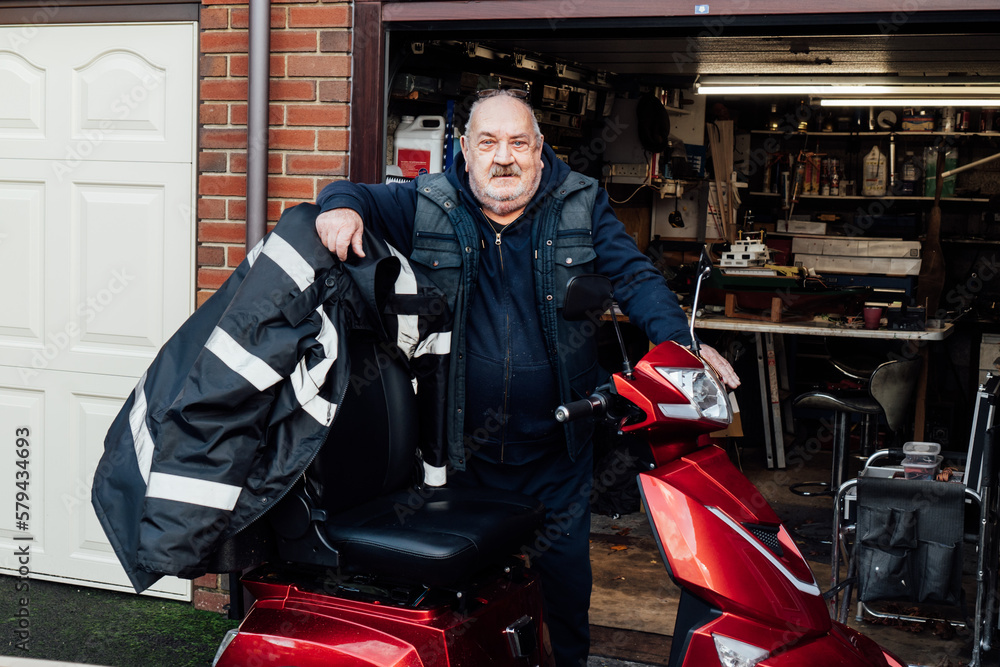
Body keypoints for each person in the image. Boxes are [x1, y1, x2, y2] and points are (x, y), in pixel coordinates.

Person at [314, 89, 740, 667]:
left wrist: (683, 345)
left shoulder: (580, 202)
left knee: (564, 596)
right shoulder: (427, 201)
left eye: (518, 143)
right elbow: (350, 192)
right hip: (460, 456)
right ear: (465, 150)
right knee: (471, 602)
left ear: (540, 150)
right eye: (488, 142)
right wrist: (340, 208)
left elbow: (635, 278)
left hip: (557, 455)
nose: (503, 157)